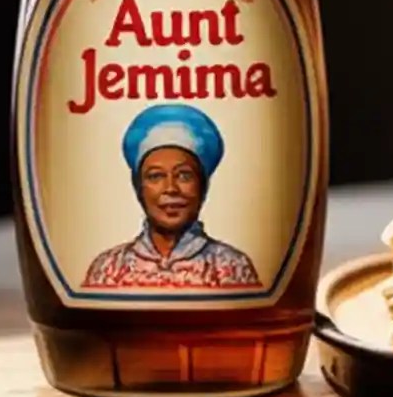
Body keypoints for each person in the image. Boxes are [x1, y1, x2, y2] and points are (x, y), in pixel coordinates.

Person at [83, 104, 261, 289]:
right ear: (139, 188)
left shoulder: (231, 266)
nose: (171, 188)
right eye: (156, 176)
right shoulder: (109, 268)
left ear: (203, 186)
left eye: (184, 175)